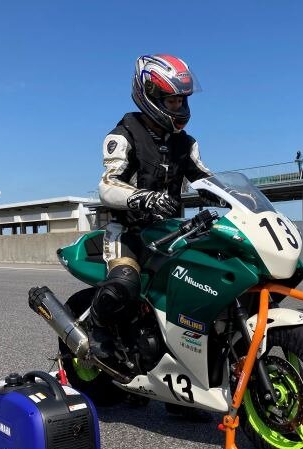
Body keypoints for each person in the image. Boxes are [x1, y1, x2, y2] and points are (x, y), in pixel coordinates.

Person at [91, 54, 212, 356]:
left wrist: (233, 196)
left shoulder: (186, 143)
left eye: (182, 100)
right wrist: (143, 197)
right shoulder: (123, 135)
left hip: (171, 233)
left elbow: (205, 179)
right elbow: (107, 185)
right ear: (150, 96)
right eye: (172, 101)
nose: (179, 108)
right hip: (128, 234)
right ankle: (97, 330)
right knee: (123, 286)